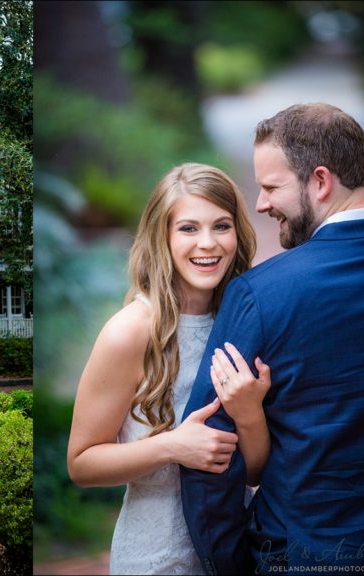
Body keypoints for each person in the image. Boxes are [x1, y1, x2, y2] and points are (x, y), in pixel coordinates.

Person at [180, 103, 364, 574]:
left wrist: (230, 565)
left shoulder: (261, 294)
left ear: (321, 182)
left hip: (304, 553)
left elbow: (209, 452)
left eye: (270, 187)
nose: (262, 204)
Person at [67, 163, 272, 575]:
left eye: (222, 226)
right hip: (154, 558)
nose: (208, 244)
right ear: (162, 236)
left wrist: (250, 413)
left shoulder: (245, 325)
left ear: (238, 233)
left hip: (234, 551)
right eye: (189, 229)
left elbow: (255, 472)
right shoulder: (129, 332)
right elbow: (81, 463)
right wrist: (173, 446)